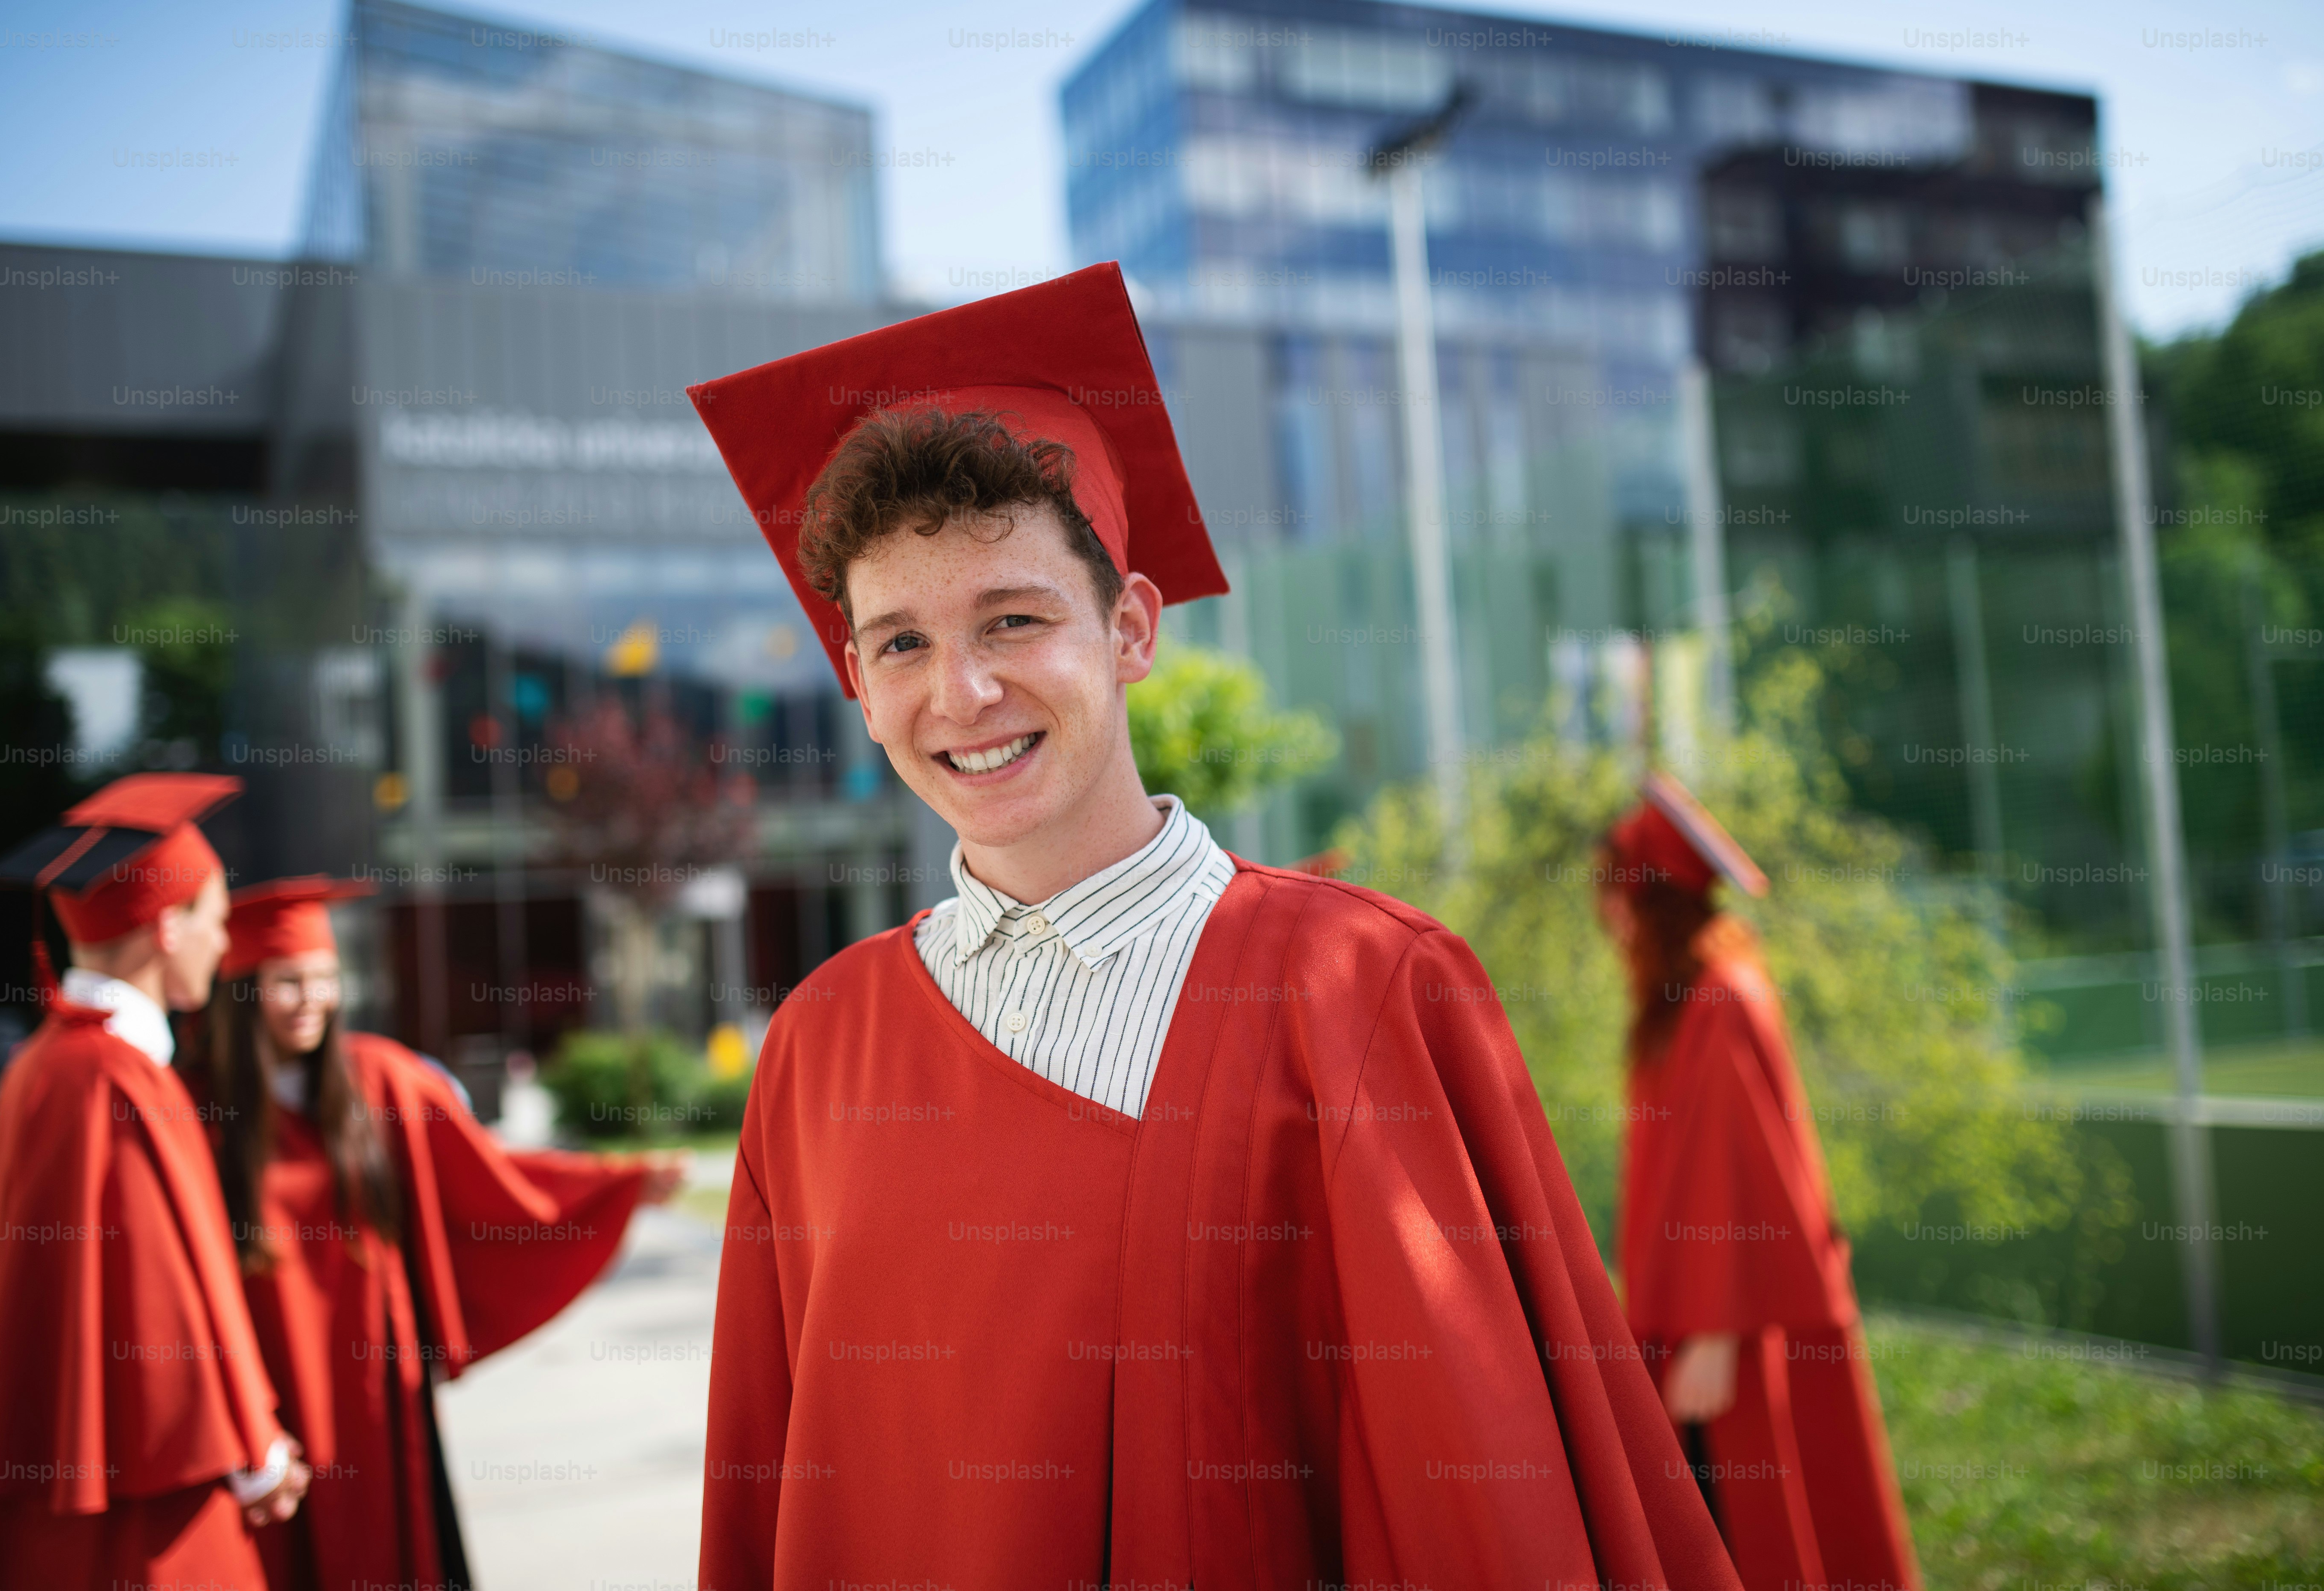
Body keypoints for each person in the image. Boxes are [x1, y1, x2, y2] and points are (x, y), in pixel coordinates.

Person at [680, 263, 1738, 1590]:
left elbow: (1478, 1478)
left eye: (1015, 618)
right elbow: (777, 1481)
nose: (964, 690)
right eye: (901, 644)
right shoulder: (820, 1046)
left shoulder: (1358, 985)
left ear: (1130, 629)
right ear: (855, 679)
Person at [160, 874, 687, 1590]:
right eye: (287, 981)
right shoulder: (193, 1105)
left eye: (324, 978)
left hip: (376, 1380)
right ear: (241, 989)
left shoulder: (378, 1080)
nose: (312, 999)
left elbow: (493, 1175)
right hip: (264, 1375)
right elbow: (131, 1229)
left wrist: (618, 1182)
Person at [0, 774, 308, 1589]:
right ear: (169, 927)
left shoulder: (44, 1062)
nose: (224, 944)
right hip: (142, 1494)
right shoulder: (120, 1078)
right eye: (214, 920)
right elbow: (166, 1290)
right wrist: (256, 1448)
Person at [1599, 772, 1919, 1591]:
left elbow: (1745, 1172)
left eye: (1615, 894)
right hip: (1703, 1314)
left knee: (1752, 1527)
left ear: (1650, 898)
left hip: (1733, 1328)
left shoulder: (1720, 999)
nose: (1608, 918)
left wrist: (1713, 1335)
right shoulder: (1687, 997)